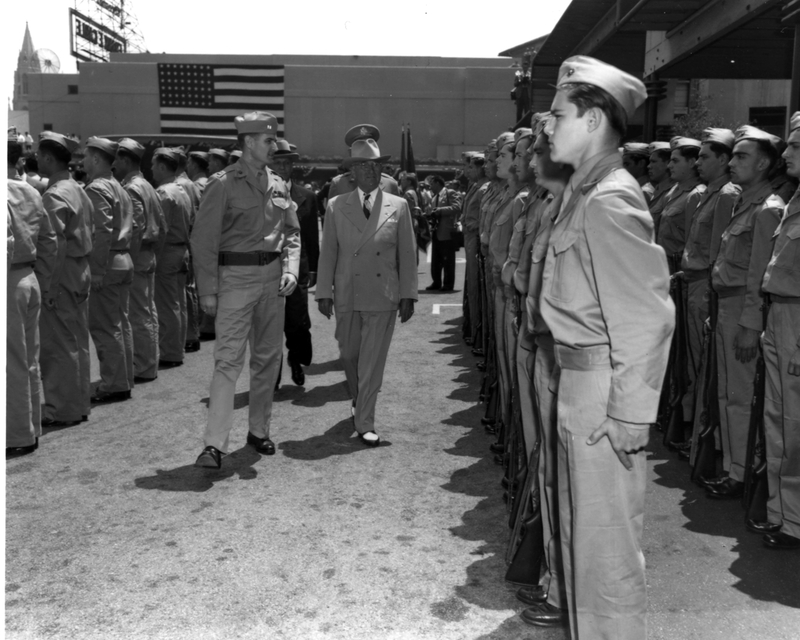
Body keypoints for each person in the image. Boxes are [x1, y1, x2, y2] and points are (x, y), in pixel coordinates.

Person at [538, 56, 674, 637]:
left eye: (558, 114)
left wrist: (628, 410)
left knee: (606, 553)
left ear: (593, 120)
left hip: (601, 390)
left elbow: (646, 316)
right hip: (582, 380)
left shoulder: (608, 198)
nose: (546, 127)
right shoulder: (583, 192)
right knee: (582, 544)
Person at [191, 111, 300, 469]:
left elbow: (291, 233)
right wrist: (207, 290)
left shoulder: (279, 184)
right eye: (268, 141)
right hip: (235, 280)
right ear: (249, 143)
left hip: (272, 280)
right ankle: (214, 445)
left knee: (267, 360)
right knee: (227, 362)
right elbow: (203, 240)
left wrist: (291, 269)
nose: (274, 146)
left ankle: (258, 431)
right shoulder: (222, 183)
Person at [315, 132, 417, 447]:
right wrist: (323, 291)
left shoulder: (398, 206)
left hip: (382, 293)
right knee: (350, 356)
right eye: (363, 166)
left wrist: (408, 294)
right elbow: (328, 252)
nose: (370, 172)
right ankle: (360, 400)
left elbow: (408, 254)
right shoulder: (335, 205)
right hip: (347, 291)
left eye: (375, 166)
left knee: (372, 361)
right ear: (352, 172)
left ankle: (365, 421)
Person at [707, 125, 784, 499]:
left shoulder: (767, 210)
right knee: (726, 391)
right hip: (728, 306)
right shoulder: (743, 202)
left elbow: (758, 276)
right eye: (733, 155)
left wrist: (749, 325)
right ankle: (731, 465)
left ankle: (740, 473)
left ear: (764, 164)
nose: (733, 163)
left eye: (742, 157)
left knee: (738, 396)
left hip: (742, 309)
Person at [518, 117, 574, 624]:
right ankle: (555, 581)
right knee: (550, 475)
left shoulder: (594, 209)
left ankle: (568, 594)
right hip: (547, 350)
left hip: (571, 362)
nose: (531, 160)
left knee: (566, 481)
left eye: (538, 152)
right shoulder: (557, 206)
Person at [679, 128, 739, 451]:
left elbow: (717, 252)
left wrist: (709, 294)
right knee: (696, 364)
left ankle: (706, 440)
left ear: (723, 159)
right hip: (695, 283)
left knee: (706, 368)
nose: (698, 162)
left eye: (704, 156)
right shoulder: (709, 193)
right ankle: (698, 433)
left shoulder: (727, 195)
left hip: (706, 286)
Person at [757, 111, 800, 549]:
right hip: (780, 315)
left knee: (796, 425)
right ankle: (782, 514)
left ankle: (795, 521)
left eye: (795, 146)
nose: (785, 153)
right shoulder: (794, 198)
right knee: (779, 420)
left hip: (797, 320)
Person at [37, 131, 94, 426]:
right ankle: (79, 404)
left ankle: (62, 409)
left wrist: (47, 285)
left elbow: (53, 244)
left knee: (58, 345)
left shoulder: (55, 194)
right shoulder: (77, 188)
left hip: (62, 273)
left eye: (38, 155)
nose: (35, 159)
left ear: (48, 158)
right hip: (80, 268)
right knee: (77, 341)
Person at [7, 134, 57, 457]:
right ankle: (31, 428)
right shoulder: (30, 191)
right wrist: (43, 278)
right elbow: (50, 239)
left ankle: (16, 434)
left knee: (11, 362)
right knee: (29, 359)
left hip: (10, 279)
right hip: (30, 276)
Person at [83, 137, 135, 404]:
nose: (81, 161)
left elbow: (101, 232)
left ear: (95, 159)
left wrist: (98, 270)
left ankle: (114, 384)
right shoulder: (118, 186)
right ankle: (123, 380)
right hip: (123, 259)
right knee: (121, 324)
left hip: (107, 262)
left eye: (85, 156)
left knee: (105, 328)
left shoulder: (97, 188)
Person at [114, 138, 167, 383]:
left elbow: (135, 228)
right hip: (149, 253)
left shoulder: (132, 188)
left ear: (126, 160)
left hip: (138, 255)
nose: (114, 165)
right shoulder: (147, 185)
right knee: (147, 311)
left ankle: (144, 365)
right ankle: (148, 362)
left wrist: (131, 259)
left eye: (116, 159)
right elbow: (162, 226)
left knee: (139, 313)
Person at [269, 139, 320, 386]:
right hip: (267, 268)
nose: (281, 167)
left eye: (285, 163)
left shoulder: (307, 196)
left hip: (297, 268)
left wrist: (313, 268)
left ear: (292, 166)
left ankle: (297, 361)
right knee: (269, 324)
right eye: (276, 162)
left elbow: (311, 235)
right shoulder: (260, 193)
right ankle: (273, 373)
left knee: (297, 320)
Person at [151, 147, 193, 368]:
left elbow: (161, 229)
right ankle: (177, 348)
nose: (151, 170)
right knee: (178, 303)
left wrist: (154, 257)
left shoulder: (164, 192)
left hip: (168, 251)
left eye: (153, 165)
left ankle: (171, 352)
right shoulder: (181, 190)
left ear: (161, 167)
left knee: (167, 305)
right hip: (182, 249)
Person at [659, 137, 706, 269]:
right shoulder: (673, 191)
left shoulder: (696, 194)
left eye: (675, 161)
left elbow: (691, 242)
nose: (669, 166)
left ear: (691, 162)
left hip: (679, 268)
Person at [328, 125, 401, 199]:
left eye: (369, 143)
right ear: (351, 152)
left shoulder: (390, 184)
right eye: (359, 145)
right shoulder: (339, 184)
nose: (365, 147)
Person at [461, 153, 488, 348]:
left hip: (477, 240)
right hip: (471, 239)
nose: (466, 171)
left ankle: (478, 336)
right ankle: (474, 331)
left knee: (476, 289)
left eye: (470, 167)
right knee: (471, 287)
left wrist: (471, 224)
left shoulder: (483, 189)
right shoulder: (476, 187)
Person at [425, 174, 462, 291]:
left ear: (437, 183)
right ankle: (436, 282)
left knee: (448, 261)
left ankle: (448, 284)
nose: (430, 187)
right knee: (436, 260)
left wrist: (439, 211)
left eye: (431, 184)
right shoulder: (434, 197)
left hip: (447, 232)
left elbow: (457, 207)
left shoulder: (450, 193)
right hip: (436, 231)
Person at [646, 141, 674, 234]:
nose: (649, 166)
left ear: (667, 163)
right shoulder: (658, 189)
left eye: (654, 162)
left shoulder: (672, 192)